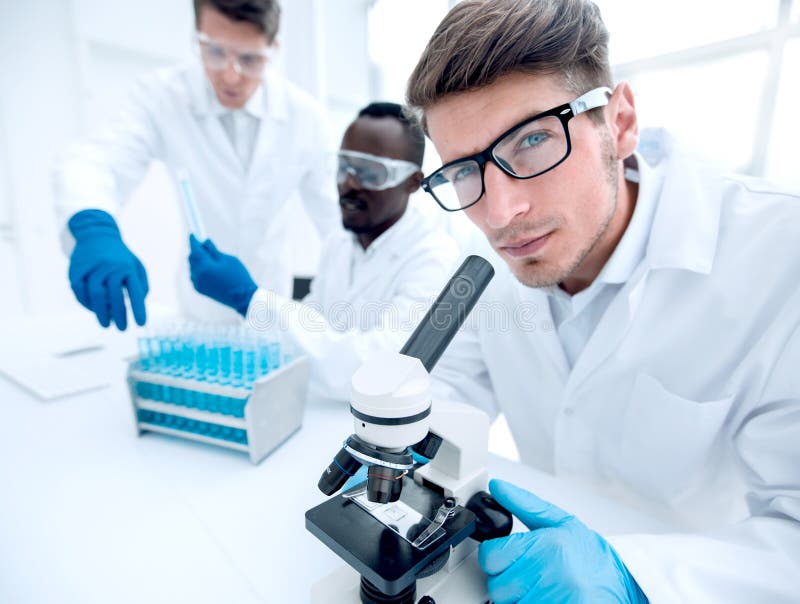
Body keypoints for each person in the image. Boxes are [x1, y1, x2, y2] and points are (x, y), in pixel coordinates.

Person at [405, 0, 800, 602]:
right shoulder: (487, 267)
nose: (499, 213)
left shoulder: (777, 257)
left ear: (618, 122)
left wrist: (636, 578)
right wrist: (396, 437)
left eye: (532, 141)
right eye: (462, 171)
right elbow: (455, 389)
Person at [54, 0, 337, 330]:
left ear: (273, 49)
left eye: (250, 59)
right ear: (198, 37)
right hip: (199, 312)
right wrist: (94, 229)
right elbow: (96, 161)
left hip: (269, 307)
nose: (231, 75)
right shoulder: (164, 95)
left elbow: (339, 222)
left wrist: (333, 311)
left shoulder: (305, 117)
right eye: (215, 52)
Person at [189, 102, 458, 399]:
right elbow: (312, 322)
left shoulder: (434, 259)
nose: (349, 183)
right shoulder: (340, 242)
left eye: (371, 174)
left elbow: (379, 369)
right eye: (344, 167)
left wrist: (250, 299)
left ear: (412, 183)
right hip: (332, 412)